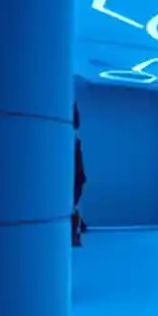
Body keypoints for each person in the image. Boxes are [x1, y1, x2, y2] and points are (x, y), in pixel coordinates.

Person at [72, 102, 86, 247]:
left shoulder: (71, 140)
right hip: (77, 178)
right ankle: (76, 232)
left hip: (75, 178)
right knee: (73, 205)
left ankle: (75, 232)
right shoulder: (75, 140)